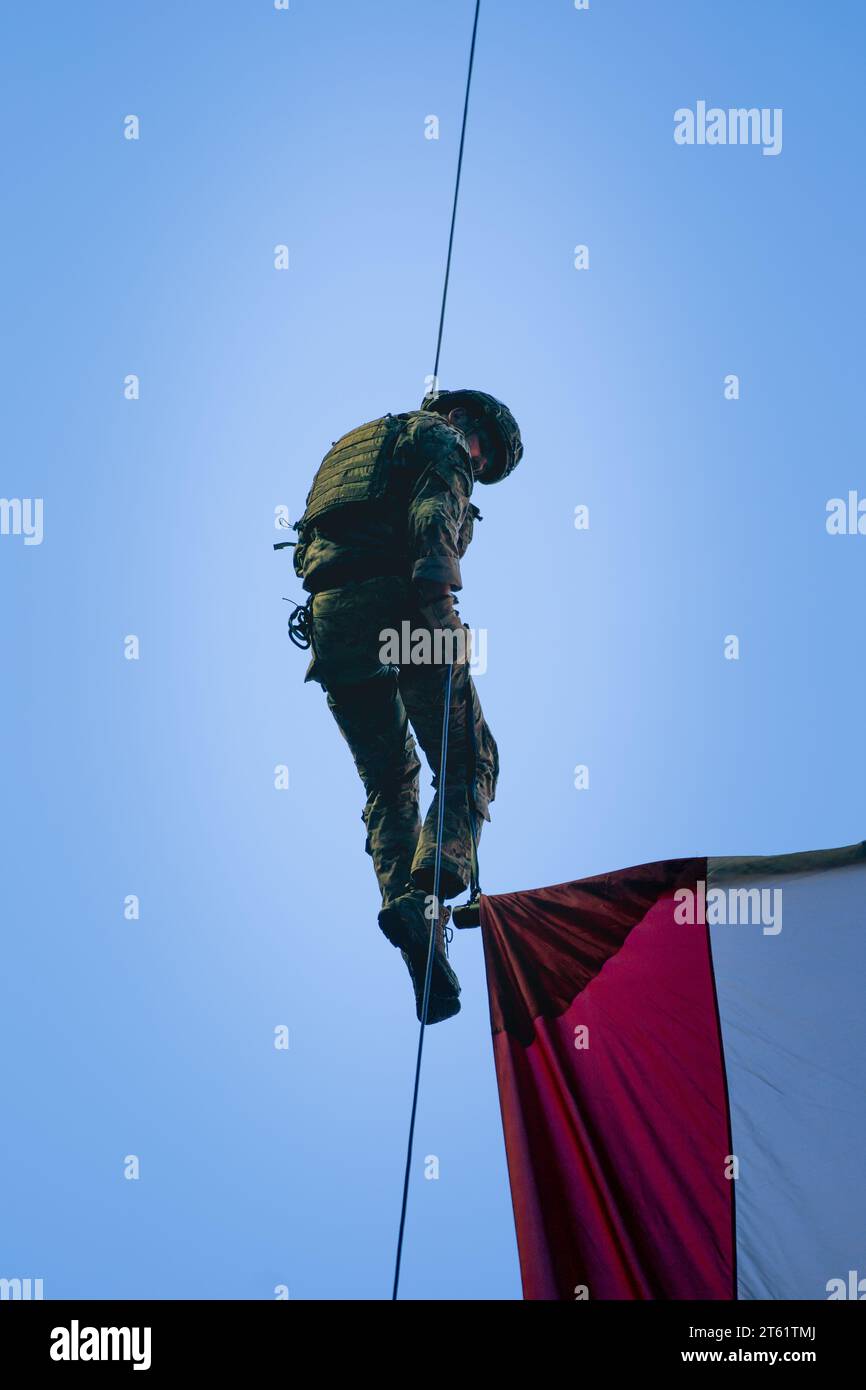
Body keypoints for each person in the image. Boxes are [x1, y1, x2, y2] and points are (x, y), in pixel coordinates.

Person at [292, 389, 523, 1023]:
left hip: (332, 622)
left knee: (391, 780)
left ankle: (411, 912)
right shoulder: (443, 444)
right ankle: (444, 871)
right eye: (483, 450)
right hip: (403, 606)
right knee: (470, 757)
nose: (477, 462)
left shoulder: (361, 446)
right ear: (466, 424)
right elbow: (432, 518)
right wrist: (439, 610)